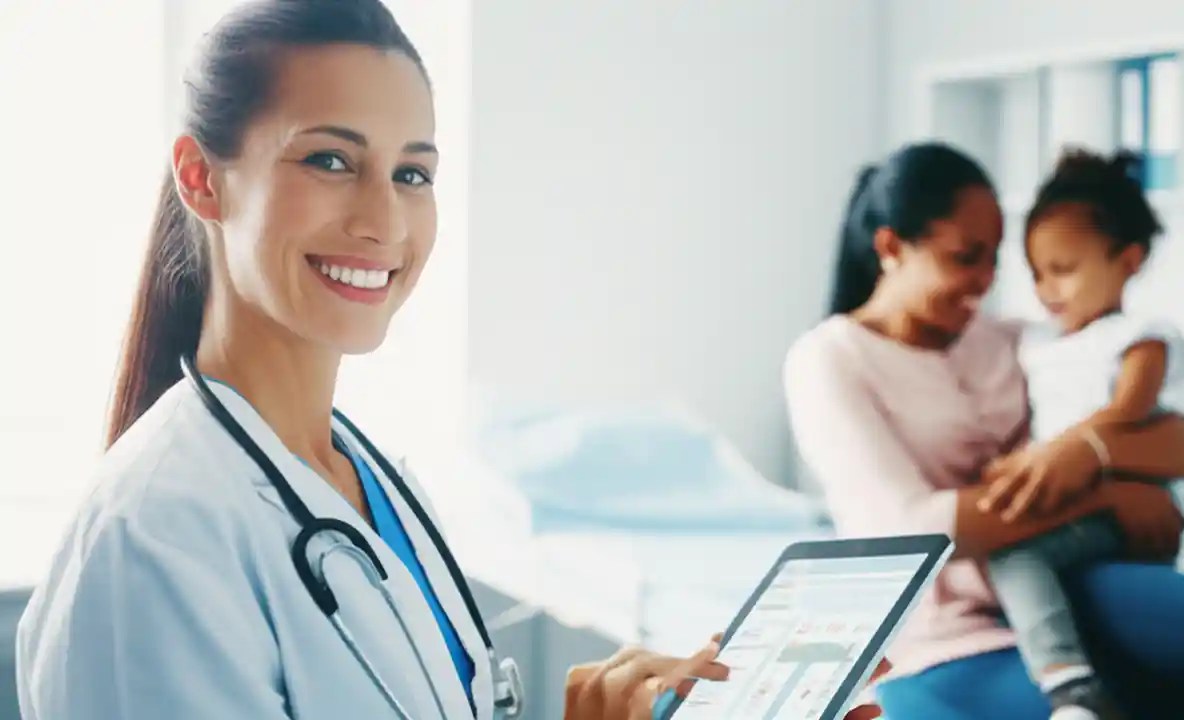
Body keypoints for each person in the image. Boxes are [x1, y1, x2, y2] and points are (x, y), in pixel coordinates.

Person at [17, 2, 897, 718]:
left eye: (412, 174)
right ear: (201, 178)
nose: (385, 224)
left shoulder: (381, 489)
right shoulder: (152, 542)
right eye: (330, 160)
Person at [784, 141, 1184, 719]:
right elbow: (917, 531)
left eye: (995, 259)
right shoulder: (828, 359)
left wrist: (1083, 450)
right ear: (892, 247)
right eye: (965, 257)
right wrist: (1110, 493)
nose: (985, 281)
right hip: (946, 633)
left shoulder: (1014, 341)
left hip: (1078, 589)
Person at [977, 148, 1184, 720]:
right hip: (1067, 497)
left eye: (1063, 270)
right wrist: (1027, 461)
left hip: (1120, 502)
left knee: (1014, 555)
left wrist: (1051, 457)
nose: (1047, 289)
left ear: (1129, 259)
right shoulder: (1039, 344)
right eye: (1037, 272)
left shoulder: (1140, 337)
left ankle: (1068, 682)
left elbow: (1128, 415)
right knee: (1011, 548)